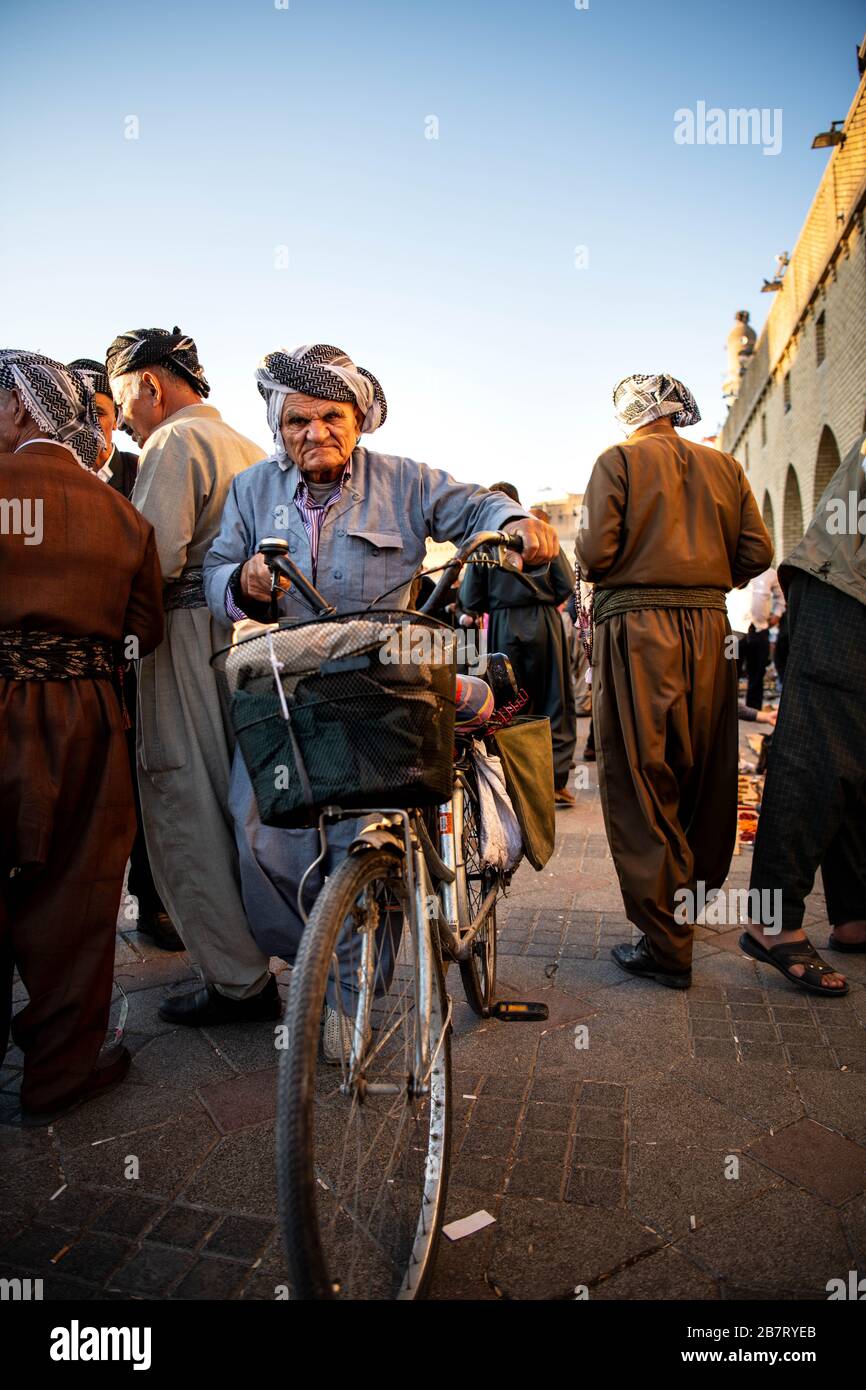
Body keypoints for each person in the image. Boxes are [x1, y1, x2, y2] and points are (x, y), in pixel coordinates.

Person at [203, 342, 557, 1055]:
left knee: (364, 842)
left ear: (358, 420)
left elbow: (478, 506)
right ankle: (321, 957)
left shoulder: (406, 480)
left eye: (330, 416)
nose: (314, 433)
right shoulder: (249, 491)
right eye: (297, 419)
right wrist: (241, 582)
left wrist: (516, 523)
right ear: (278, 424)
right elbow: (214, 573)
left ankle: (349, 995)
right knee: (260, 836)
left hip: (387, 686)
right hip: (292, 691)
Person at [0, 350, 163, 1122]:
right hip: (89, 721)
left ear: (23, 410)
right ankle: (59, 1074)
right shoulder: (123, 515)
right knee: (76, 897)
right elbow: (145, 631)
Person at [575, 373, 772, 989]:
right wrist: (703, 577)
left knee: (641, 772)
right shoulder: (726, 468)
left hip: (637, 630)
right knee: (704, 768)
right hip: (711, 630)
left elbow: (595, 555)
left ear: (626, 413)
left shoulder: (618, 460)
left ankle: (666, 941)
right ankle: (687, 900)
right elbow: (757, 554)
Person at [106, 327, 277, 1025]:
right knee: (237, 806)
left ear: (149, 384)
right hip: (241, 638)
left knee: (185, 800)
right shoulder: (244, 443)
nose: (118, 419)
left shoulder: (174, 444)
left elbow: (152, 559)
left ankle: (238, 983)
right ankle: (252, 960)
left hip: (181, 638)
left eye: (121, 400)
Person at [743, 431, 866, 996]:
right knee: (815, 761)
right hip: (846, 591)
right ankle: (775, 925)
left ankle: (853, 916)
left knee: (853, 763)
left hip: (841, 584)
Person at [69, 357, 180, 950]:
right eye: (77, 410)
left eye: (101, 412)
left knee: (144, 779)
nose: (89, 424)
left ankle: (156, 901)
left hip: (136, 658)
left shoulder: (145, 470)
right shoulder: (35, 473)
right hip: (62, 664)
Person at [460, 481, 578, 805]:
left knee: (508, 704)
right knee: (555, 700)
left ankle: (513, 781)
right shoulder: (540, 534)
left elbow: (470, 598)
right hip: (544, 623)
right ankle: (555, 782)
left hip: (504, 624)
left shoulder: (484, 542)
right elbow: (566, 584)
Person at [68, 358, 139, 496]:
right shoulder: (51, 475)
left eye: (98, 413)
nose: (88, 421)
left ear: (116, 419)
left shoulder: (140, 473)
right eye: (77, 412)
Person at [725, 567, 785, 710]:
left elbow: (781, 595)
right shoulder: (729, 569)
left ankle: (754, 709)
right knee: (728, 672)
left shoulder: (769, 574)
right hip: (732, 632)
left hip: (759, 630)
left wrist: (777, 613)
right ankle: (727, 710)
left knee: (757, 672)